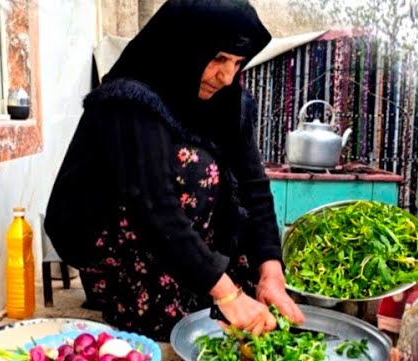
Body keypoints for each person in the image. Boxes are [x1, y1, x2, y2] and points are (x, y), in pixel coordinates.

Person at [45, 0, 305, 340]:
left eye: (237, 62)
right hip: (107, 237)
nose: (226, 76)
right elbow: (153, 205)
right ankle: (148, 303)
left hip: (166, 229)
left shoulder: (230, 102)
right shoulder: (131, 96)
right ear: (186, 47)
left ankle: (195, 287)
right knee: (194, 167)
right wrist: (227, 293)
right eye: (218, 58)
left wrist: (272, 271)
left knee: (245, 253)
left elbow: (254, 185)